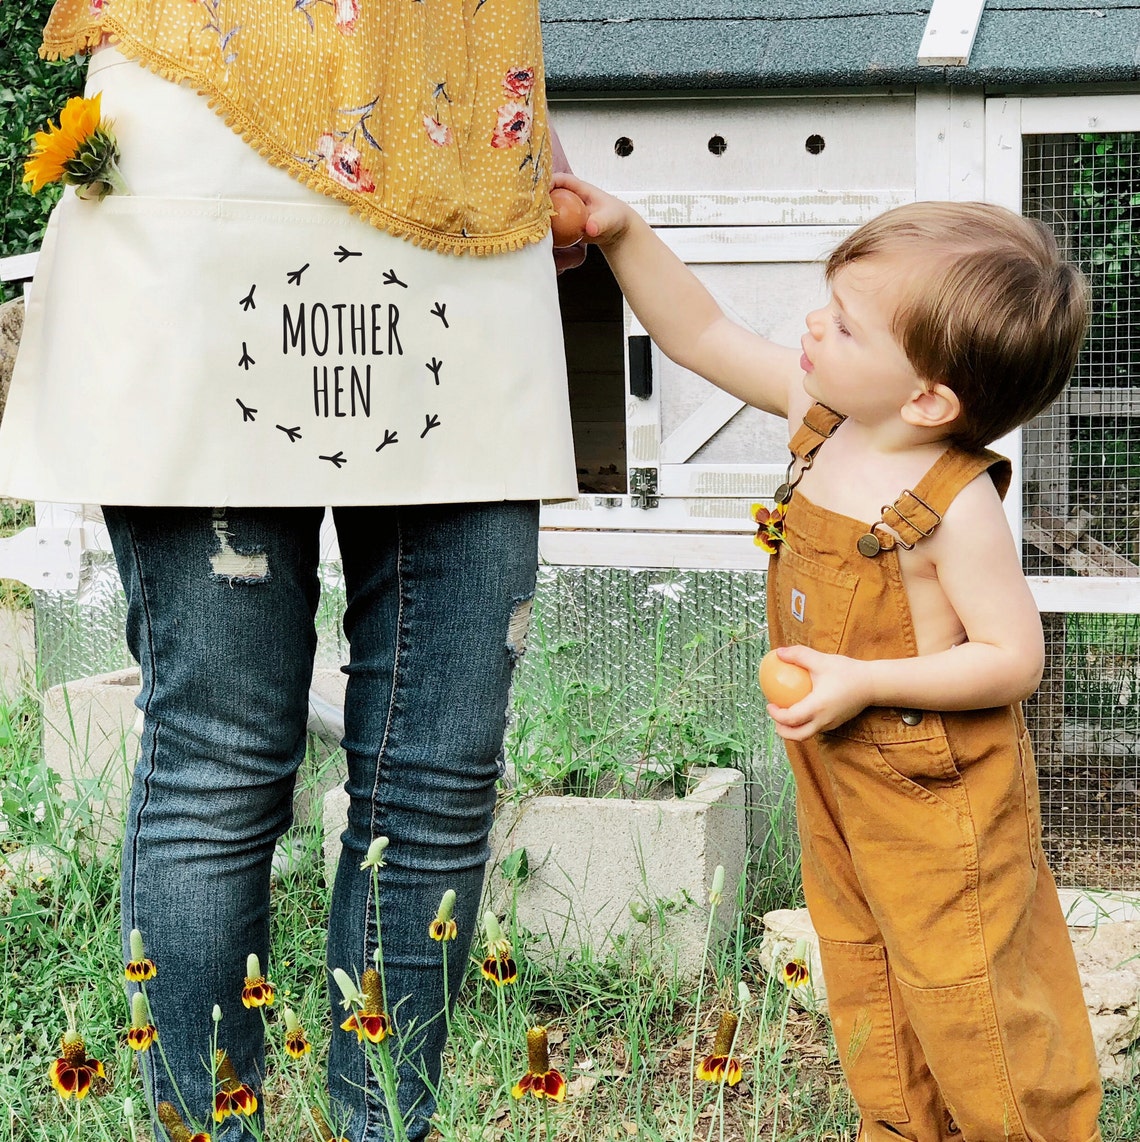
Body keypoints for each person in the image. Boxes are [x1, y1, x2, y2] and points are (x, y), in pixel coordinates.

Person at [3, 2, 582, 1139]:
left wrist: (539, 140)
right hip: (204, 149)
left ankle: (384, 1126)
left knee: (428, 770)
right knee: (227, 763)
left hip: (459, 165)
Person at [552, 173, 1103, 1142]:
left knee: (971, 991)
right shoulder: (825, 418)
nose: (814, 325)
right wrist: (622, 232)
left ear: (927, 398)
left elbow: (1013, 657)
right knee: (864, 967)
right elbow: (701, 334)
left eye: (845, 325)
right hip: (838, 777)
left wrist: (868, 680)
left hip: (937, 794)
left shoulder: (954, 506)